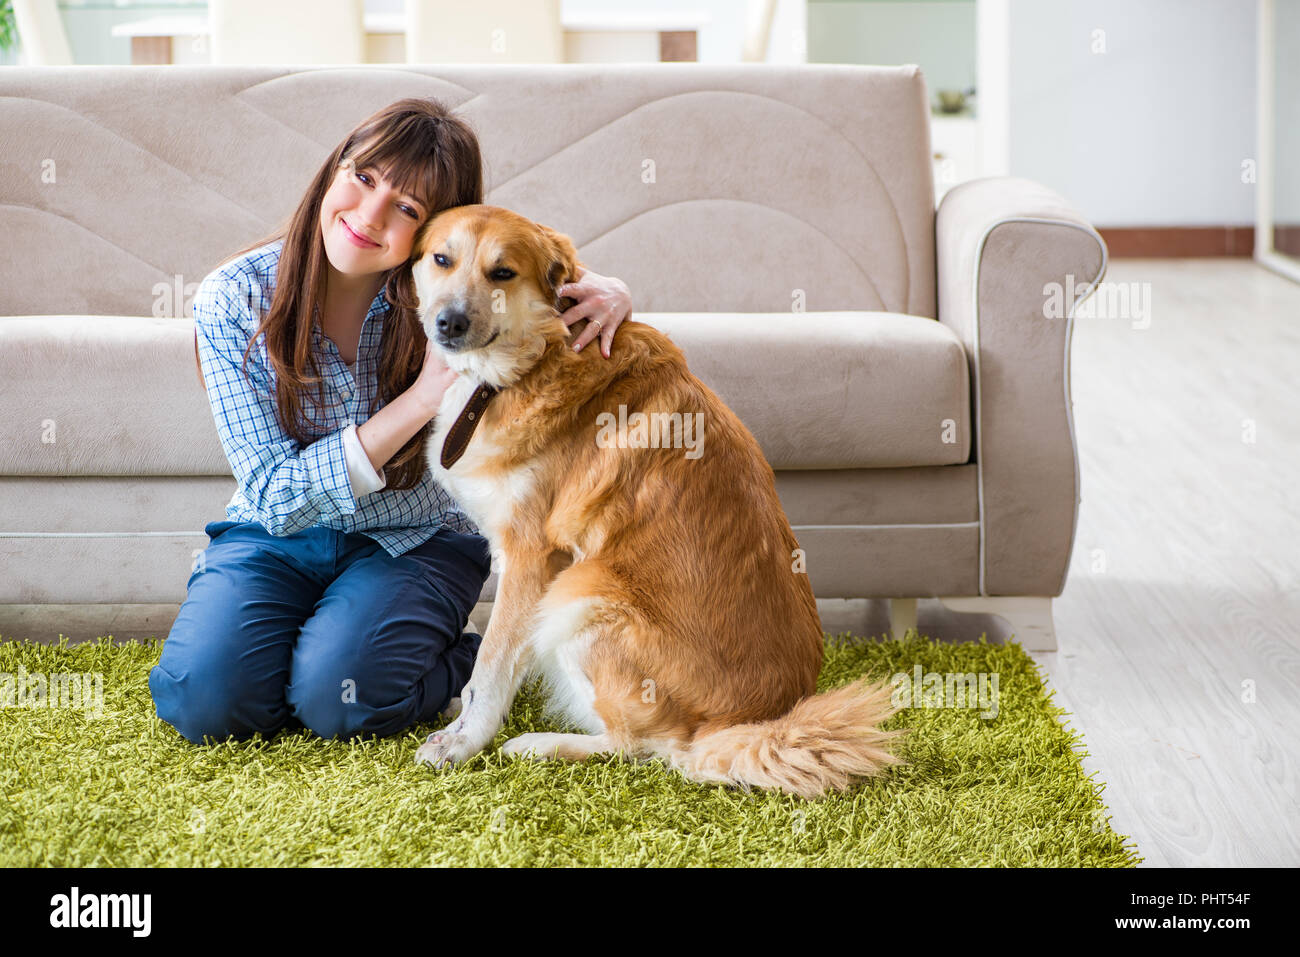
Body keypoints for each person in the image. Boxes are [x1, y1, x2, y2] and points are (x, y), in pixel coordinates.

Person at [150, 97, 632, 745]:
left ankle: (459, 660)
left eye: (407, 209)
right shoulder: (234, 297)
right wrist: (421, 401)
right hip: (274, 535)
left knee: (339, 701)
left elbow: (521, 260)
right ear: (332, 171)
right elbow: (272, 492)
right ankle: (327, 645)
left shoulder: (446, 291)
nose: (369, 214)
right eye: (363, 176)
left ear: (435, 231)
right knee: (206, 702)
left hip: (416, 538)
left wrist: (613, 289)